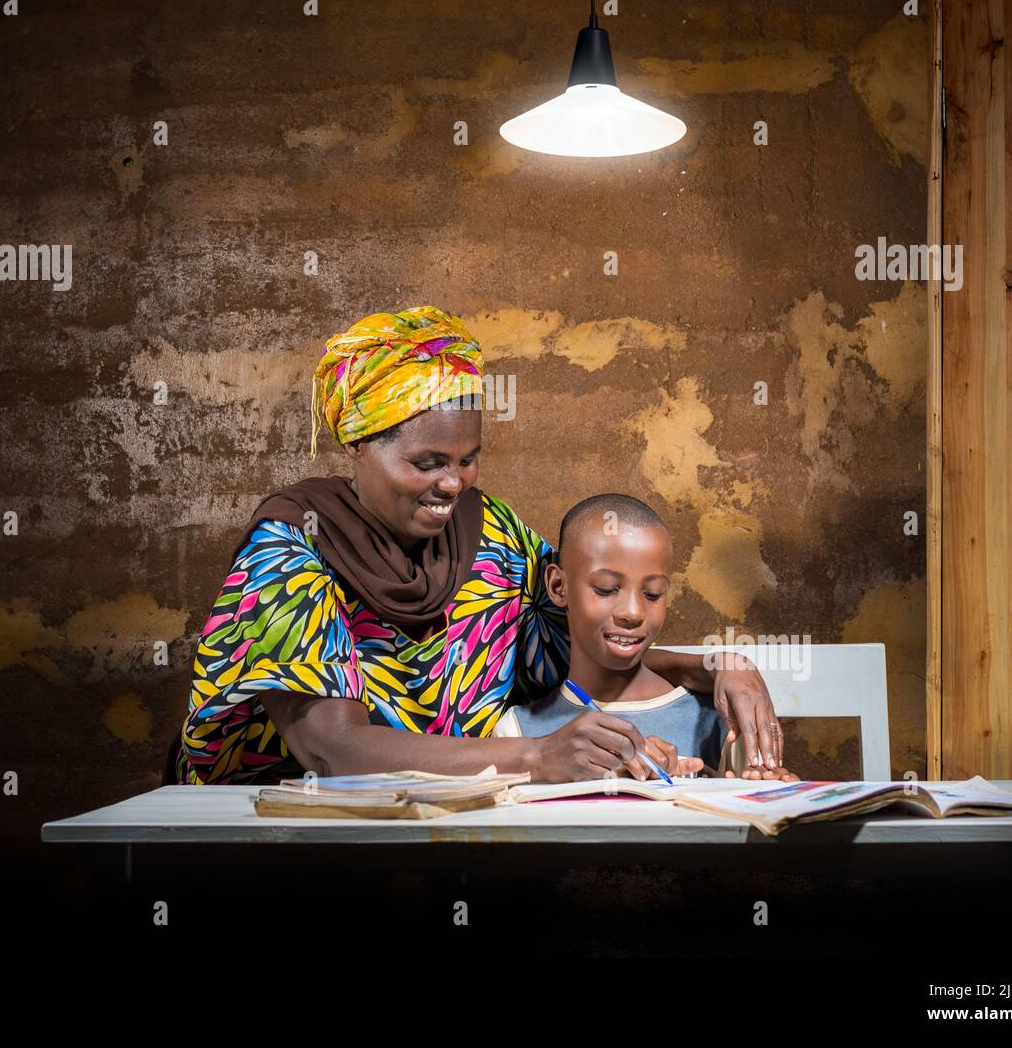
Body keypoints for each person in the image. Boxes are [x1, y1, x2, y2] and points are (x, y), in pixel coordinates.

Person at [175, 305, 788, 785]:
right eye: (427, 461)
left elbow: (591, 634)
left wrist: (718, 668)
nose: (453, 483)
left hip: (461, 818)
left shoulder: (490, 534)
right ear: (357, 445)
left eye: (469, 459)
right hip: (288, 833)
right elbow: (335, 751)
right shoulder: (291, 549)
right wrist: (539, 756)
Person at [492, 493, 800, 781]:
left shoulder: (720, 721)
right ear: (559, 586)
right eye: (606, 589)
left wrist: (770, 789)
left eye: (652, 594)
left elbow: (748, 815)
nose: (633, 612)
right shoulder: (518, 730)